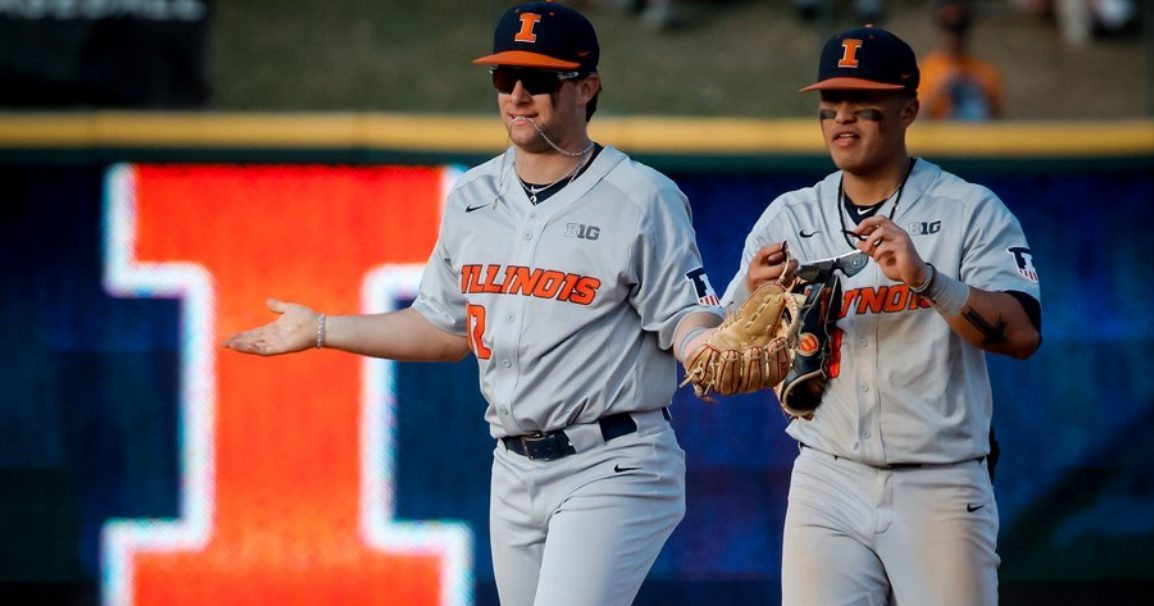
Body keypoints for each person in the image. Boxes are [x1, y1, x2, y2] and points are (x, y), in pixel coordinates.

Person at [223, 2, 724, 605]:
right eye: (502, 78)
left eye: (538, 79)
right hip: (512, 466)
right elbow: (441, 328)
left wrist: (705, 345)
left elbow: (686, 313)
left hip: (614, 460)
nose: (516, 94)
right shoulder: (473, 196)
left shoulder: (641, 196)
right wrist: (324, 329)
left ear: (586, 87)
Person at [718, 25, 1042, 605]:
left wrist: (929, 281)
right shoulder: (788, 217)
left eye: (863, 105)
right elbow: (727, 343)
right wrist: (751, 301)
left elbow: (1021, 335)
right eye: (830, 106)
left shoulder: (969, 210)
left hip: (939, 482)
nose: (843, 118)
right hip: (826, 475)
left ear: (908, 109)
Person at [918, 1, 1006, 121]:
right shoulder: (921, 71)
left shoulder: (987, 72)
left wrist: (982, 93)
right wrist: (938, 92)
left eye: (960, 26)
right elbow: (913, 123)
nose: (954, 34)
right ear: (937, 26)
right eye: (947, 24)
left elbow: (1000, 122)